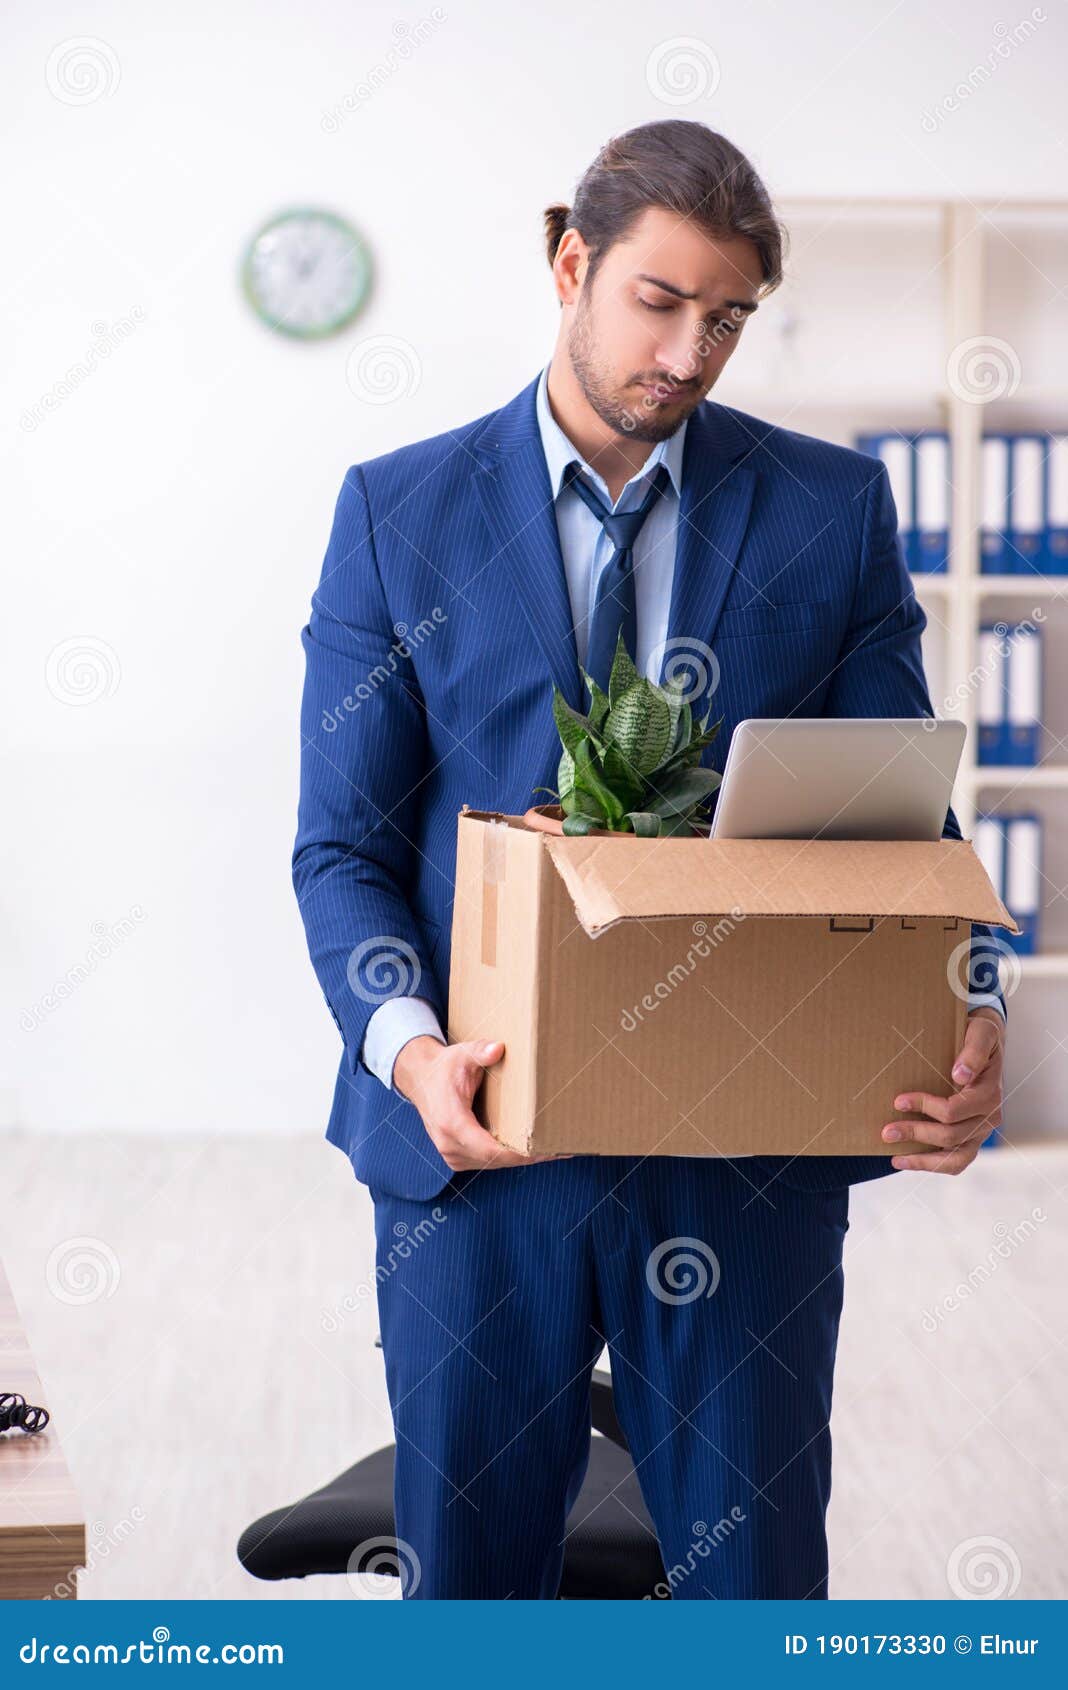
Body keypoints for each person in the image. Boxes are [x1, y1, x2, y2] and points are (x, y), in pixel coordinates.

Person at [292, 119, 1006, 1600]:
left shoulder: (829, 511)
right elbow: (344, 849)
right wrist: (411, 1051)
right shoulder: (398, 513)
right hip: (482, 1154)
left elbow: (906, 833)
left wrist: (970, 1007)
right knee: (475, 1591)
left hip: (744, 1146)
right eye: (660, 302)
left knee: (751, 1597)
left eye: (730, 318)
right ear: (572, 265)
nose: (691, 353)